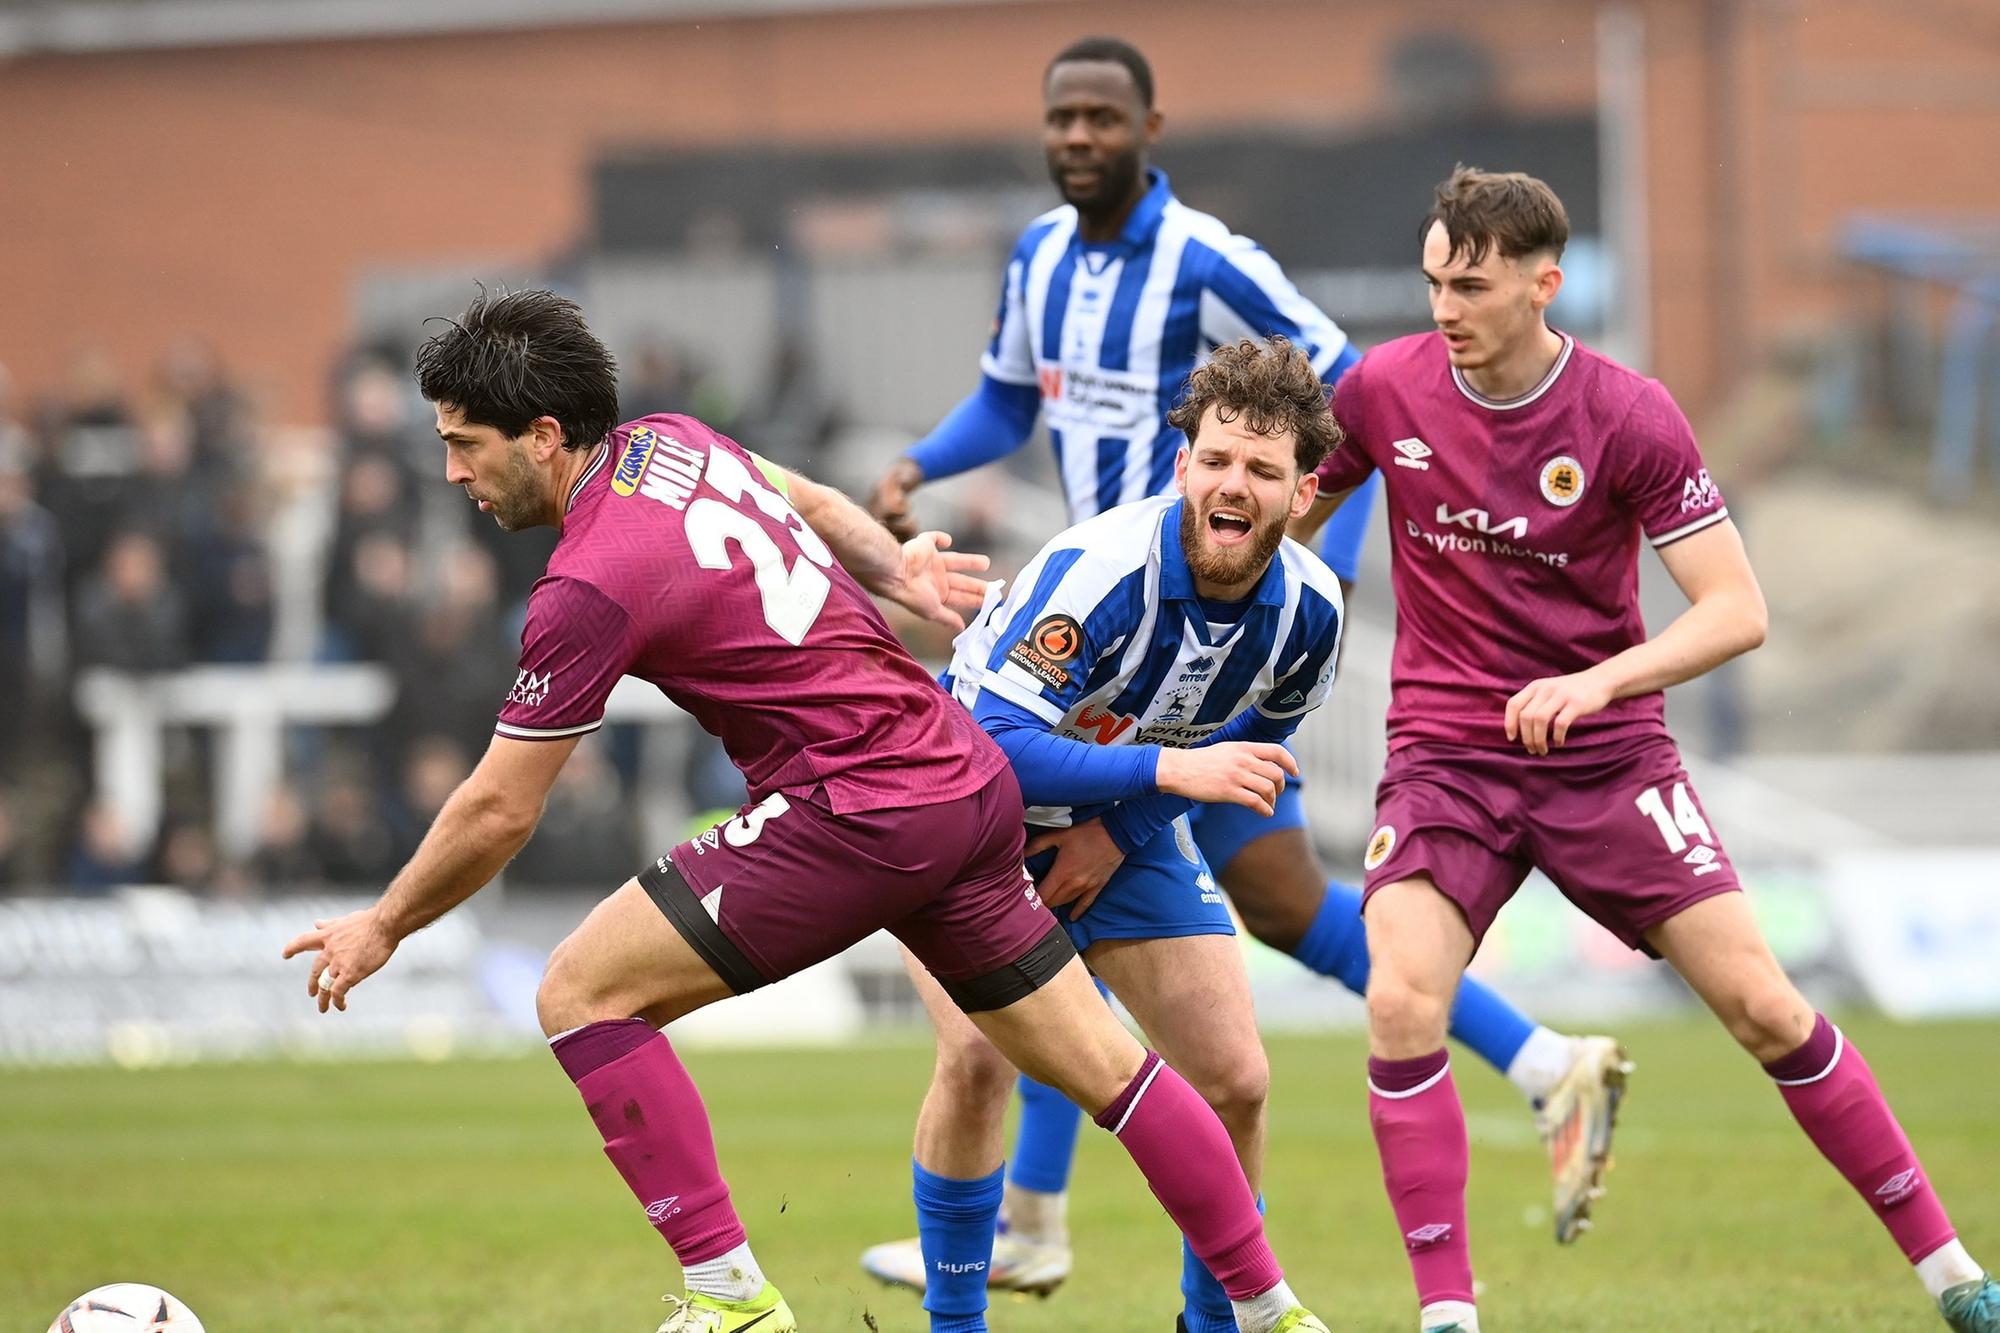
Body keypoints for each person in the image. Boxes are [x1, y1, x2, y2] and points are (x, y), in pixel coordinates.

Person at [281, 289, 1332, 1333]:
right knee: (1117, 1075)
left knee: (579, 994)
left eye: (467, 445)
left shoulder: (585, 582)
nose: (456, 471)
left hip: (853, 809)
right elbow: (813, 501)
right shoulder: (674, 439)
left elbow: (500, 810)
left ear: (545, 437)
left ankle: (730, 1297)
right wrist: (896, 568)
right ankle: (1275, 1311)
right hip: (962, 783)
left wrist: (384, 920)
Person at [860, 33, 1622, 1304]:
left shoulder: (1212, 266)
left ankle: (1053, 1223)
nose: (1079, 139)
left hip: (1187, 674)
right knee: (1191, 938)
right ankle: (1535, 1057)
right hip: (1081, 666)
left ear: (1151, 125)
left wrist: (1308, 559)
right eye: (1062, 118)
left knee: (1237, 947)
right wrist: (920, 467)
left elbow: (1358, 391)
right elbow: (1006, 402)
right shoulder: (1041, 260)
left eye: (1104, 117)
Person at [1295, 166, 1999, 1333]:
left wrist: (1595, 680)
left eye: (1468, 286)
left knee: (1766, 1010)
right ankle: (1446, 1319)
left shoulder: (1626, 415)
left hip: (1605, 757)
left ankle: (1954, 1279)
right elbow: (1283, 525)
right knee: (1400, 1001)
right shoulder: (1380, 389)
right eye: (1431, 283)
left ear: (1542, 283)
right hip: (1445, 758)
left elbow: (1735, 608)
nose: (1443, 310)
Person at [900, 337, 1341, 1333]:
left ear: (1300, 493)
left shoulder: (1309, 612)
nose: (1233, 484)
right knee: (976, 1055)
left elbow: (1260, 738)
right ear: (1181, 464)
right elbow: (991, 747)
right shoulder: (1099, 569)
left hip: (1114, 819)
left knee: (1235, 1081)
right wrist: (1164, 772)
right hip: (956, 806)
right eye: (1216, 460)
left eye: (1262, 470)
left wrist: (1121, 828)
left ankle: (1212, 1326)